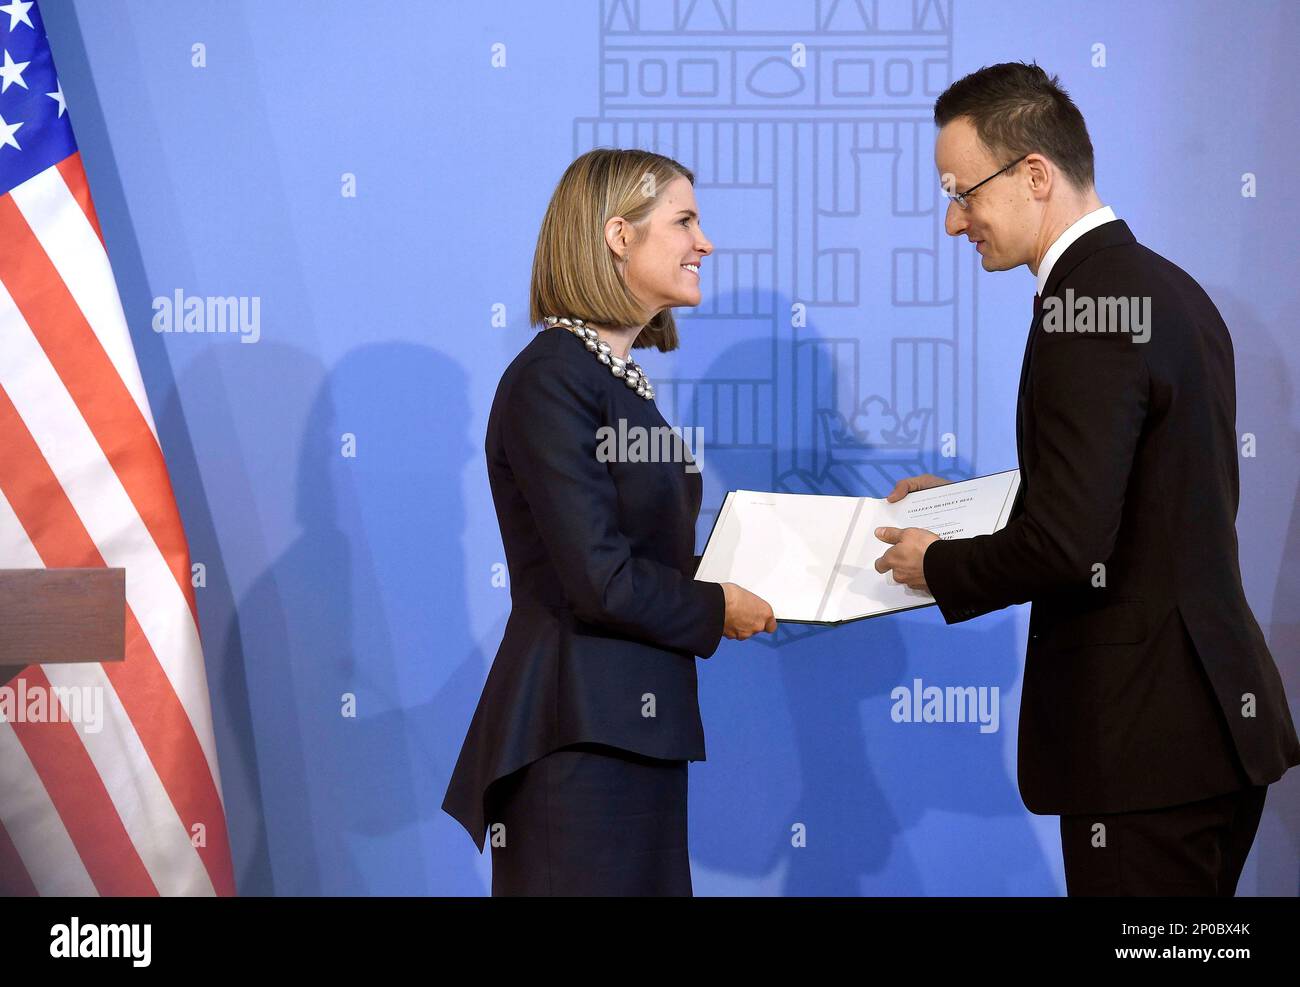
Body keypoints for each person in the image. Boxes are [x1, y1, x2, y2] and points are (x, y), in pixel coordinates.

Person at [874, 62, 1299, 895]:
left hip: (1142, 748)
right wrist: (971, 510)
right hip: (1203, 729)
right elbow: (1132, 496)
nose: (954, 222)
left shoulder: (1083, 306)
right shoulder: (1166, 287)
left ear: (1034, 173)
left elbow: (1071, 544)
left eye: (963, 193)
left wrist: (941, 564)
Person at [442, 148, 776, 896]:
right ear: (619, 235)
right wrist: (719, 604)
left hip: (629, 729)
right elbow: (602, 580)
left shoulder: (608, 380)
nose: (705, 242)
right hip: (578, 738)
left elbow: (639, 559)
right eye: (685, 220)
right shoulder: (552, 378)